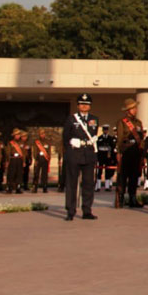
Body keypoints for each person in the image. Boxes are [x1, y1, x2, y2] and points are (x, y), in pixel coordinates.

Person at [62, 93, 100, 221]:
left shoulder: (94, 119)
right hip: (74, 154)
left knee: (88, 183)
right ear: (78, 105)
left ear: (90, 106)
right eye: (82, 104)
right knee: (72, 184)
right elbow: (65, 137)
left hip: (88, 155)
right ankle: (70, 211)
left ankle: (87, 210)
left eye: (87, 104)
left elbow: (93, 135)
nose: (84, 106)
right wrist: (71, 145)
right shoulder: (71, 119)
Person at [114, 98, 144, 208]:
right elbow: (120, 138)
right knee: (123, 176)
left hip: (136, 151)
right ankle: (120, 198)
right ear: (128, 110)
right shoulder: (122, 122)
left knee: (134, 176)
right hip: (126, 151)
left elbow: (141, 138)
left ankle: (133, 198)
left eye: (135, 108)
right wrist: (118, 152)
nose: (135, 110)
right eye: (133, 108)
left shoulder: (138, 122)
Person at [5, 129, 27, 194]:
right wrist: (7, 160)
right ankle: (10, 188)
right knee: (11, 174)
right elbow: (8, 152)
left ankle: (18, 188)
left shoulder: (22, 143)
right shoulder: (10, 143)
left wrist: (24, 161)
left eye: (18, 135)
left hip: (19, 159)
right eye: (16, 135)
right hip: (13, 159)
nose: (17, 136)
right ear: (14, 135)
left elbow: (24, 153)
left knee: (19, 174)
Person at [31, 128, 52, 193]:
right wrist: (35, 159)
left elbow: (49, 151)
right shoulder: (36, 142)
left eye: (43, 134)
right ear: (39, 134)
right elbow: (34, 151)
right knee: (36, 173)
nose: (42, 135)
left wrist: (49, 158)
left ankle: (44, 187)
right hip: (38, 158)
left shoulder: (47, 141)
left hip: (45, 159)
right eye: (41, 134)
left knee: (44, 174)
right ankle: (35, 187)